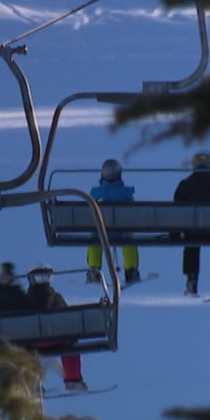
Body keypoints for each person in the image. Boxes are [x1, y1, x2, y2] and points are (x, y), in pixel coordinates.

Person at [173, 153, 210, 297]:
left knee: (191, 242)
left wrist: (174, 233)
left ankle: (191, 280)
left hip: (193, 232)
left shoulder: (184, 185)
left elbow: (175, 212)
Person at [25, 263, 87, 392]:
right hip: (56, 339)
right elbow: (67, 319)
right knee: (70, 345)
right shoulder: (56, 298)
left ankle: (34, 382)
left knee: (26, 349)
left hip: (33, 342)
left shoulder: (24, 301)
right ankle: (73, 380)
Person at [85, 158, 142, 286]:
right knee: (129, 239)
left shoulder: (96, 192)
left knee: (94, 239)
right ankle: (131, 270)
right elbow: (133, 212)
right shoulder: (125, 192)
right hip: (122, 231)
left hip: (101, 232)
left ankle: (94, 270)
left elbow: (87, 212)